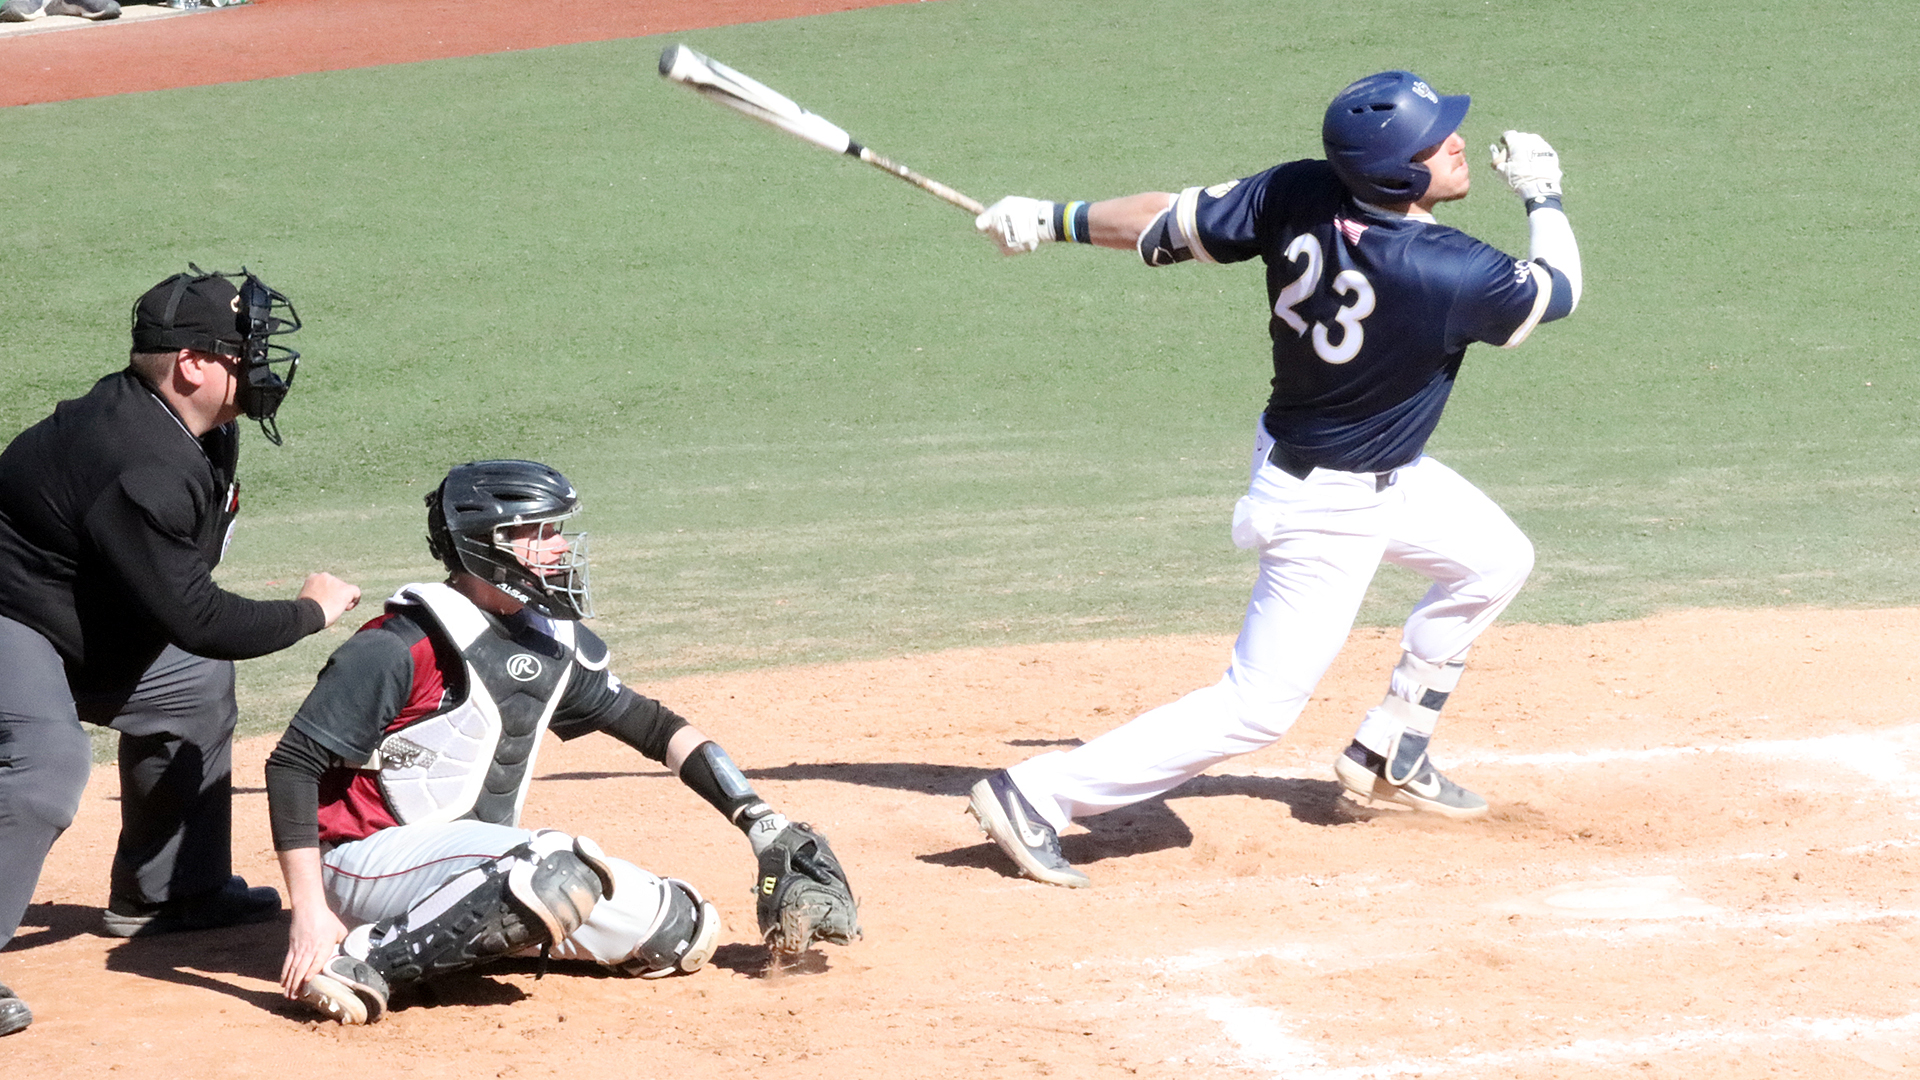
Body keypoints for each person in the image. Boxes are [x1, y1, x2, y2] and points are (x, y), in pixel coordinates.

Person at [964, 71, 1583, 887]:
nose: (1457, 141)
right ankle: (1037, 795)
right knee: (1257, 707)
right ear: (1397, 175)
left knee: (1494, 559)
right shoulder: (1447, 271)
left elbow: (1163, 218)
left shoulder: (1301, 190)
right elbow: (1559, 292)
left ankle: (1390, 751)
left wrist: (1052, 218)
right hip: (1329, 506)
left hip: (1354, 468)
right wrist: (1544, 197)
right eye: (1436, 141)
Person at [268, 459, 860, 1025]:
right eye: (538, 532)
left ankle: (481, 925)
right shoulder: (399, 646)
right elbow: (292, 764)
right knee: (548, 866)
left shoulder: (545, 646)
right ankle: (359, 960)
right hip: (360, 865)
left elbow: (657, 729)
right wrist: (310, 913)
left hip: (468, 867)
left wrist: (761, 822)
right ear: (483, 543)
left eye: (557, 530)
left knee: (680, 928)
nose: (558, 547)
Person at [0, 266, 362, 1035]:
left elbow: (180, 610)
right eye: (247, 351)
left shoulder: (196, 429)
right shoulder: (138, 460)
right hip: (7, 621)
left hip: (63, 617)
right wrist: (310, 611)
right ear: (192, 364)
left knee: (191, 687)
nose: (263, 366)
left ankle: (171, 893)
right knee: (47, 766)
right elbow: (199, 616)